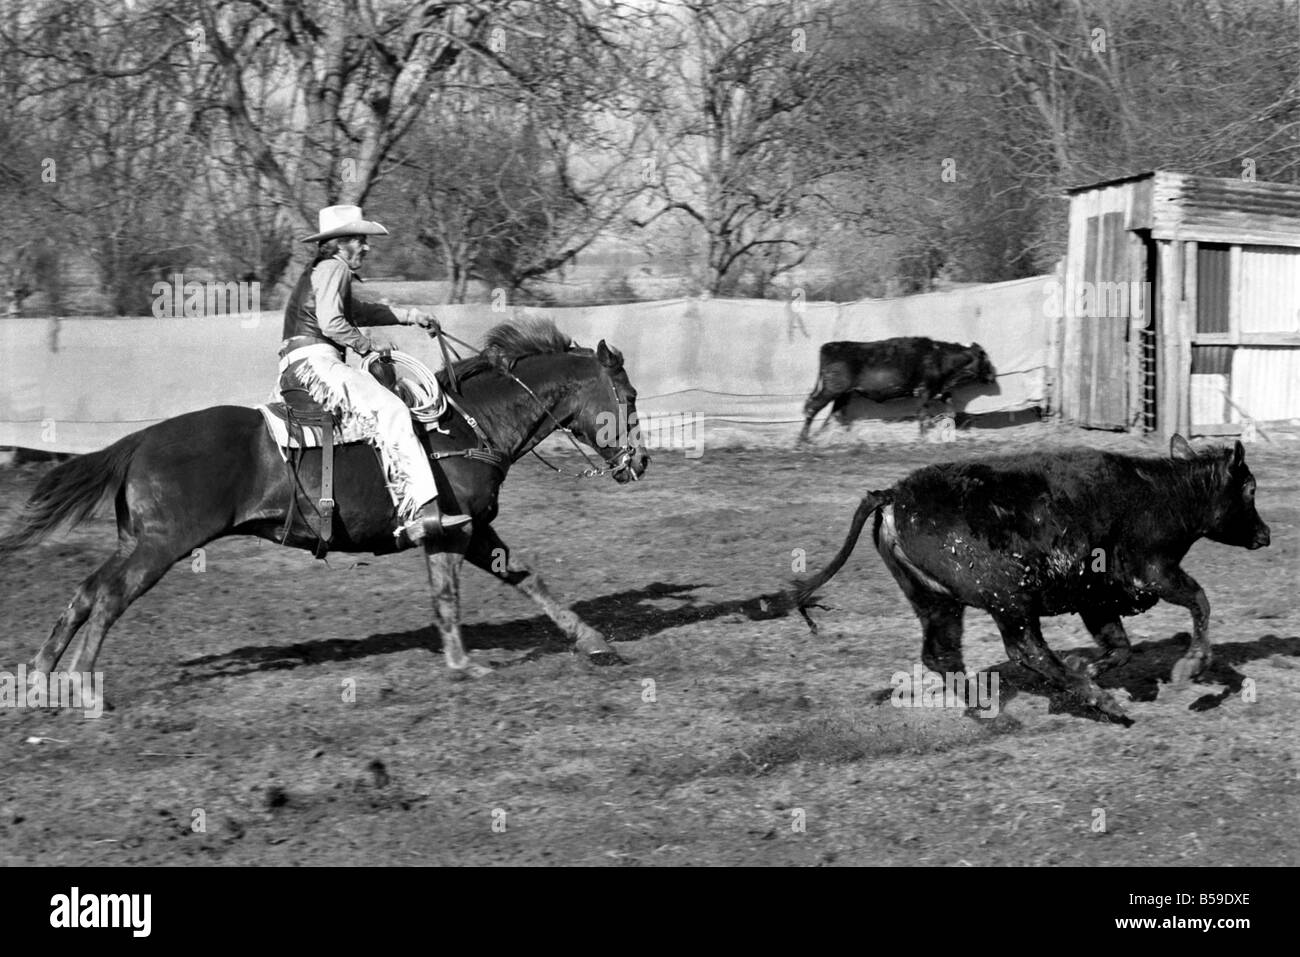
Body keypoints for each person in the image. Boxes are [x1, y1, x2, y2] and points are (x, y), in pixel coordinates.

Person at [278, 204, 469, 546]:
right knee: (393, 410)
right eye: (361, 240)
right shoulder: (334, 267)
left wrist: (410, 316)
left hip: (301, 361)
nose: (366, 247)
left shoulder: (323, 270)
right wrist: (366, 346)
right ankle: (420, 514)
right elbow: (332, 323)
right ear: (341, 242)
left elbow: (359, 311)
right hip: (315, 363)